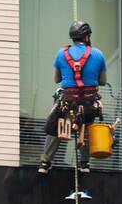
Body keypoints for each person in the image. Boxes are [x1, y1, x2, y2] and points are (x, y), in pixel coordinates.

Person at [38, 20, 108, 175]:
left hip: (67, 103)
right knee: (86, 126)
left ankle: (45, 162)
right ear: (87, 37)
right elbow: (102, 81)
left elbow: (57, 79)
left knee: (55, 126)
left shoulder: (61, 54)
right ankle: (85, 163)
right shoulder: (98, 54)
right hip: (89, 104)